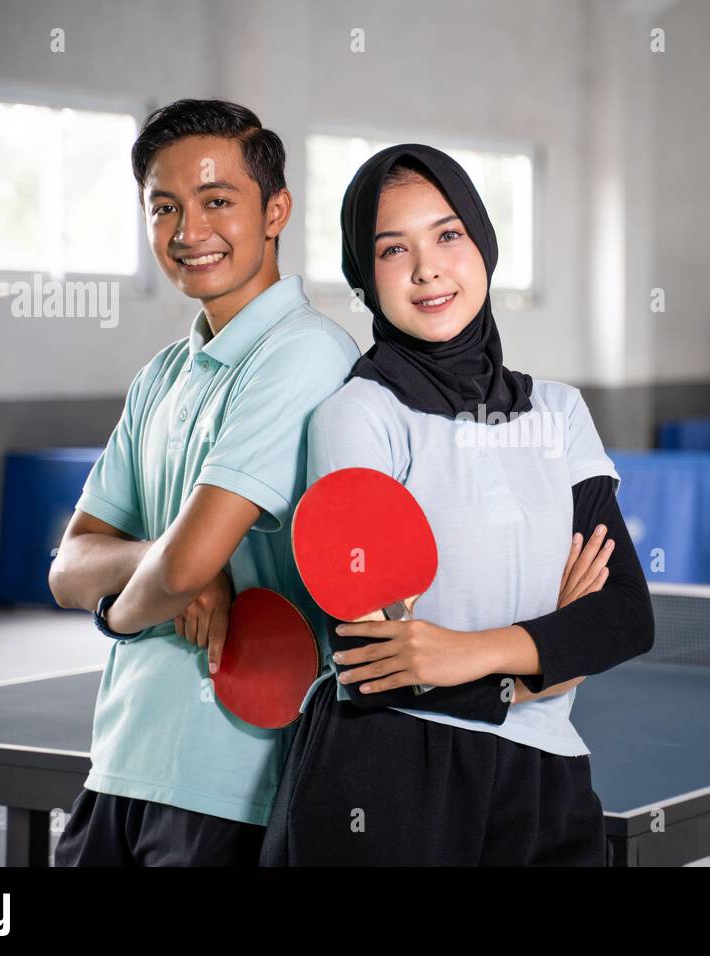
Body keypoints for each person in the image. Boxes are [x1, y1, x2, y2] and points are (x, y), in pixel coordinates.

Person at [259, 144, 655, 866]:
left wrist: (469, 654)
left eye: (448, 235)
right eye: (391, 249)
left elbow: (626, 615)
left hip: (549, 777)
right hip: (388, 777)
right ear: (364, 277)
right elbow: (375, 665)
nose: (426, 268)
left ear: (483, 243)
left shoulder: (558, 412)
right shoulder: (357, 418)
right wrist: (550, 655)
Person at [47, 99, 360, 866]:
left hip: (230, 776)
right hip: (121, 756)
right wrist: (172, 566)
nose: (189, 231)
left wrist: (125, 612)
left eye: (217, 201)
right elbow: (68, 568)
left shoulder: (307, 353)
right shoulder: (161, 373)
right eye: (165, 207)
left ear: (275, 210)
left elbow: (184, 566)